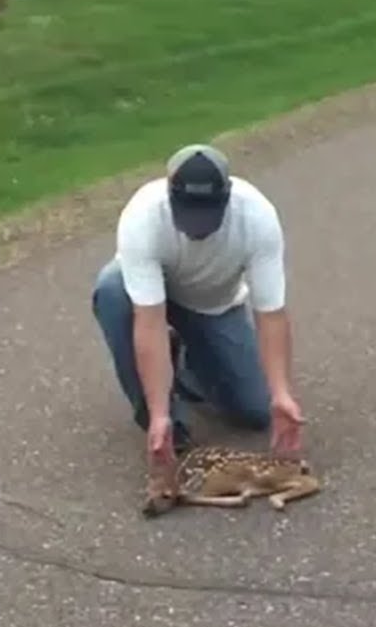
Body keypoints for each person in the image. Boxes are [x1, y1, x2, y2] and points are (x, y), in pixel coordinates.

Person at [90, 143, 305, 508]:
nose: (198, 229)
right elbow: (149, 320)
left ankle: (186, 365)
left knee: (254, 410)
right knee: (111, 290)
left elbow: (270, 313)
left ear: (228, 196)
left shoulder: (257, 217)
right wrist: (159, 414)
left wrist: (281, 393)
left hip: (213, 305)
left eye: (208, 215)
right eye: (188, 215)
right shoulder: (143, 216)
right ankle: (167, 424)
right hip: (151, 299)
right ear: (169, 194)